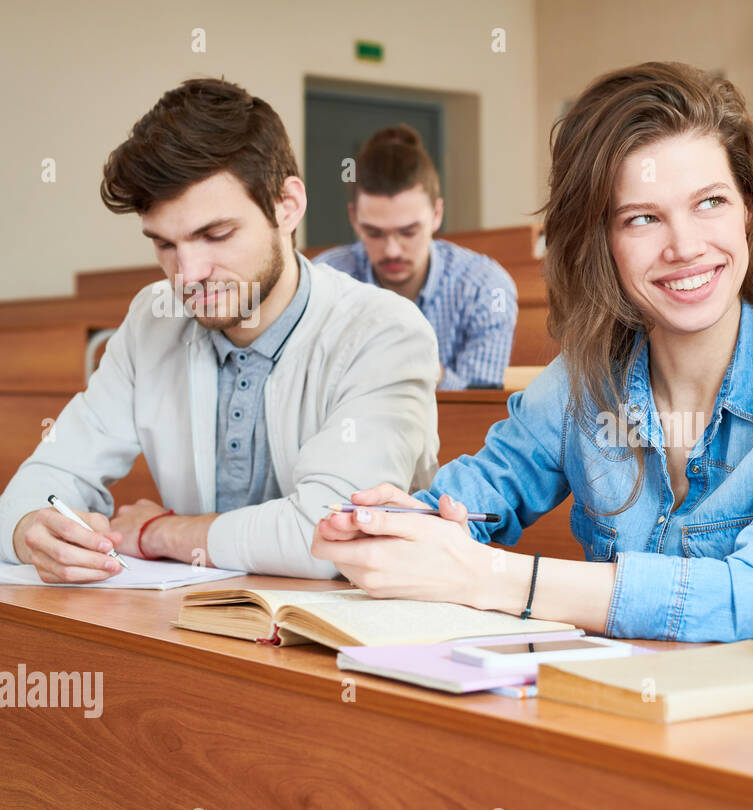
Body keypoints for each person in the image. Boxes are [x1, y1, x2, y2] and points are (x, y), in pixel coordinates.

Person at [311, 61, 753, 644]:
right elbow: (473, 498)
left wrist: (493, 577)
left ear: (750, 209)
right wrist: (388, 527)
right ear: (601, 243)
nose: (685, 246)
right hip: (607, 712)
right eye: (642, 218)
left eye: (710, 202)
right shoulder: (581, 382)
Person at [0, 79, 440, 581]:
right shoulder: (154, 317)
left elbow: (327, 536)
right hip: (198, 628)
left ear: (287, 205)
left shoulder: (385, 331)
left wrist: (162, 532)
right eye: (164, 244)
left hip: (351, 637)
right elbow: (46, 478)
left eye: (215, 235)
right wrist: (33, 531)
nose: (187, 274)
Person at [314, 125, 518, 389]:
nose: (392, 251)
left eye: (409, 232)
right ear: (353, 217)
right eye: (374, 233)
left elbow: (480, 404)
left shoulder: (487, 288)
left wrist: (412, 365)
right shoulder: (324, 278)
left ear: (437, 214)